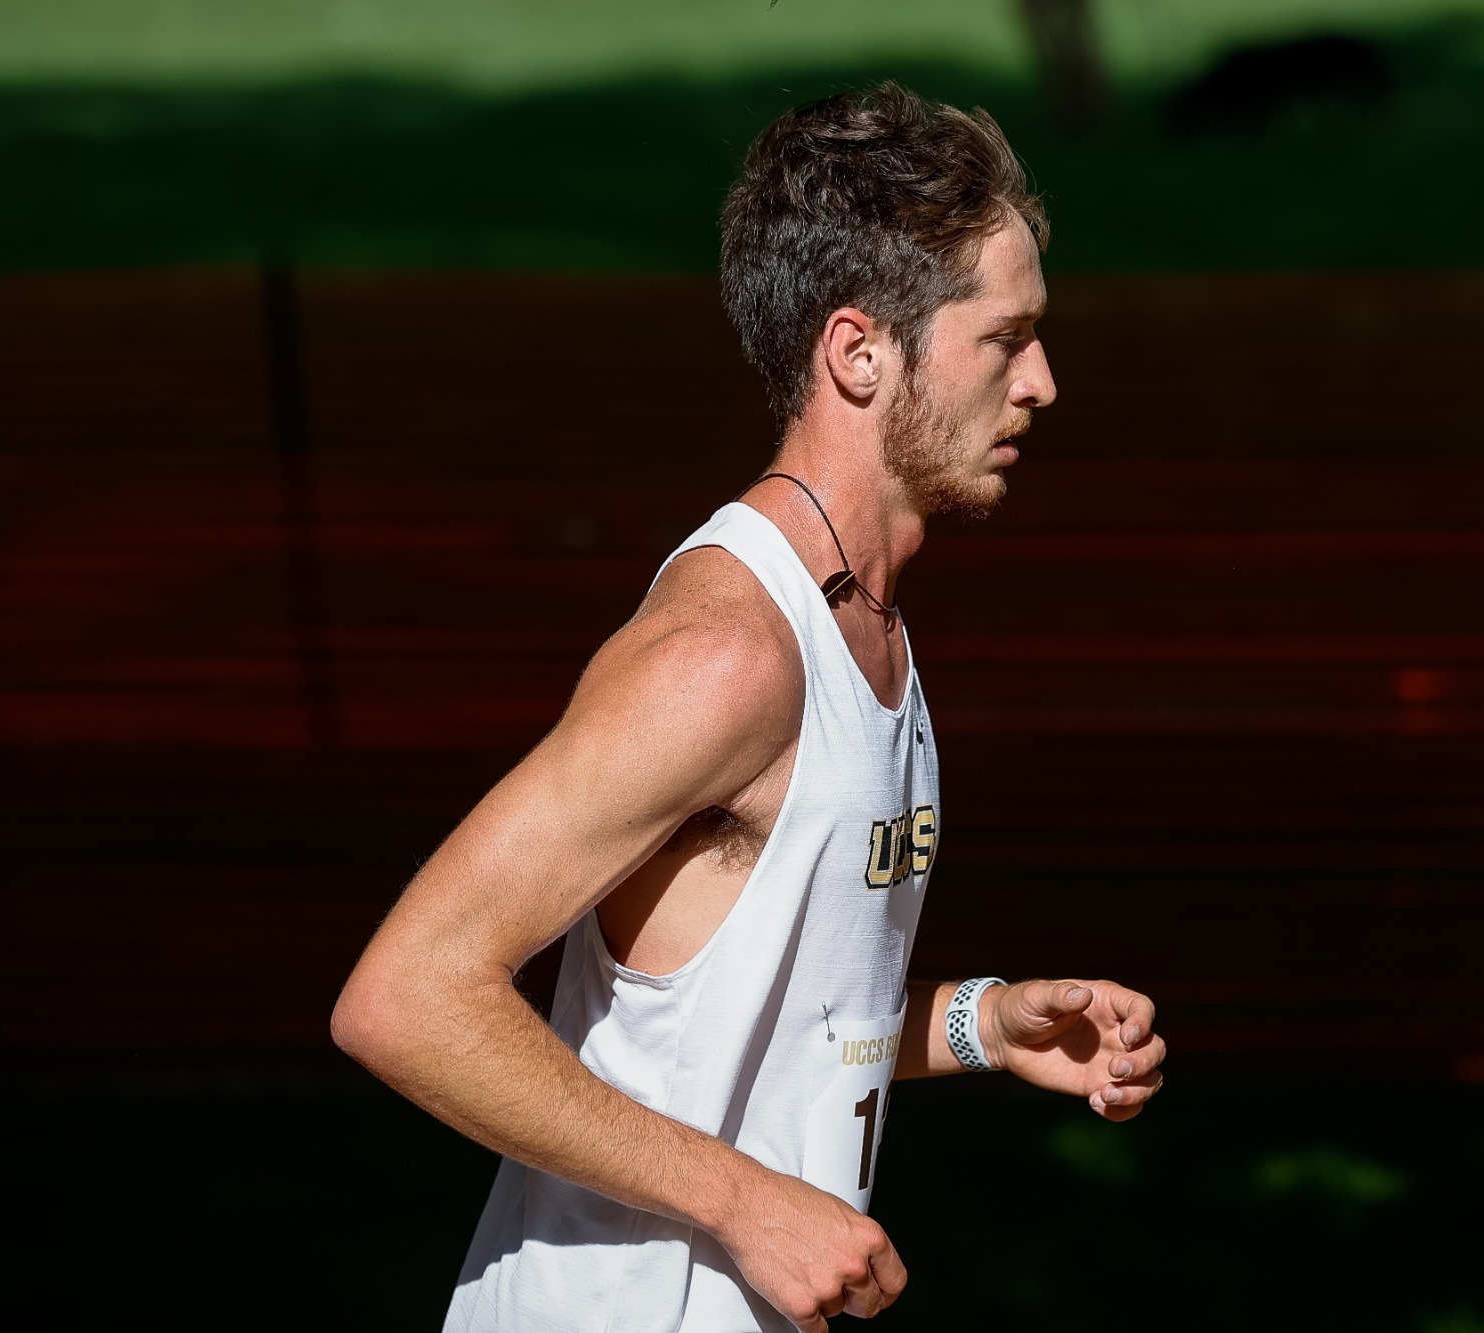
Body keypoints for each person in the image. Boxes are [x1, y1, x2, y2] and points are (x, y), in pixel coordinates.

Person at [331, 82, 1166, 1333]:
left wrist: (980, 1024)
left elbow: (763, 1029)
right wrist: (744, 1202)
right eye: (1003, 338)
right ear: (858, 351)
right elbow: (404, 997)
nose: (1043, 381)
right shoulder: (727, 655)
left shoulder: (866, 620)